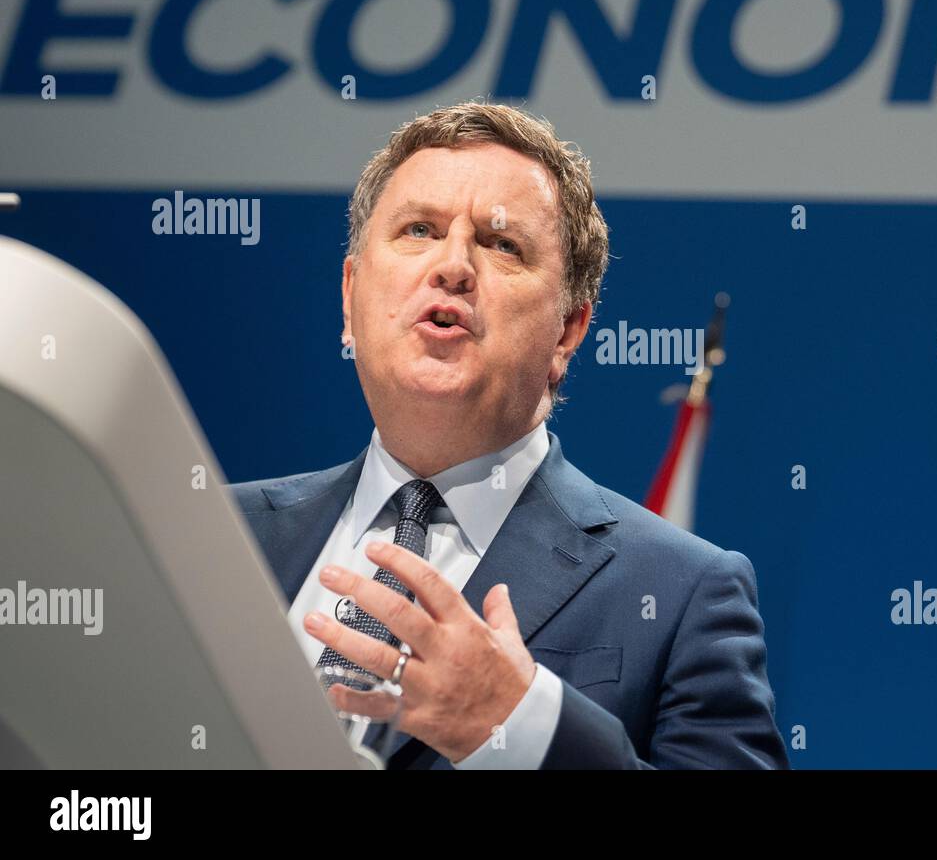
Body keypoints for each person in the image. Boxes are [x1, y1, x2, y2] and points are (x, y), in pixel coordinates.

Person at [229, 102, 787, 770]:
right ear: (350, 298)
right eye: (418, 230)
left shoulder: (684, 593)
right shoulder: (215, 535)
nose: (453, 265)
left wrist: (521, 730)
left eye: (502, 245)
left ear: (567, 332)